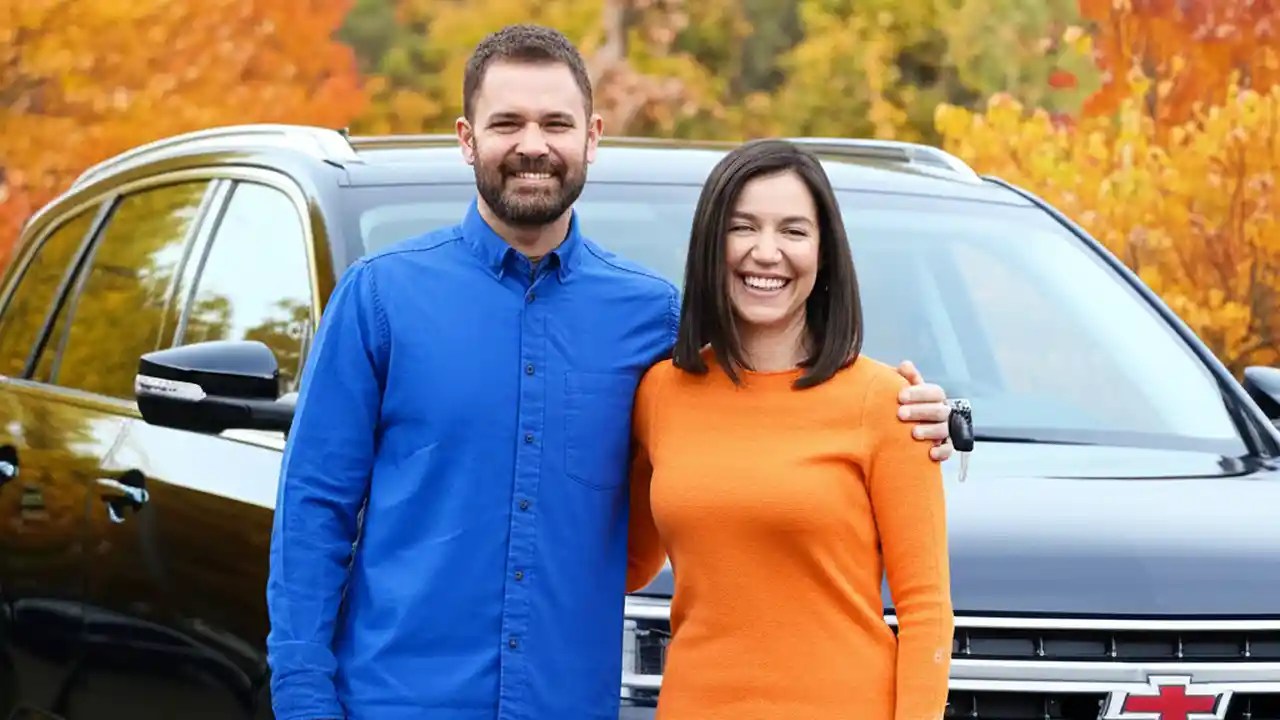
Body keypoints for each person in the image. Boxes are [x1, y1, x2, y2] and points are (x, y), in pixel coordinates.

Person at [265, 24, 955, 720]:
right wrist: (302, 697)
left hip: (564, 703)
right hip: (397, 701)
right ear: (467, 138)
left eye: (556, 123)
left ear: (591, 138)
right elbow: (313, 513)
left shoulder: (651, 322)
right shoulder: (380, 298)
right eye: (507, 122)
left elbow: (765, 395)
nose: (533, 144)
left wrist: (932, 416)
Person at [625, 139, 954, 720]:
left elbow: (926, 608)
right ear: (710, 244)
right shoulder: (660, 394)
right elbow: (628, 563)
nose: (766, 252)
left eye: (794, 231)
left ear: (824, 254)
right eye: (743, 227)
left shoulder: (888, 405)